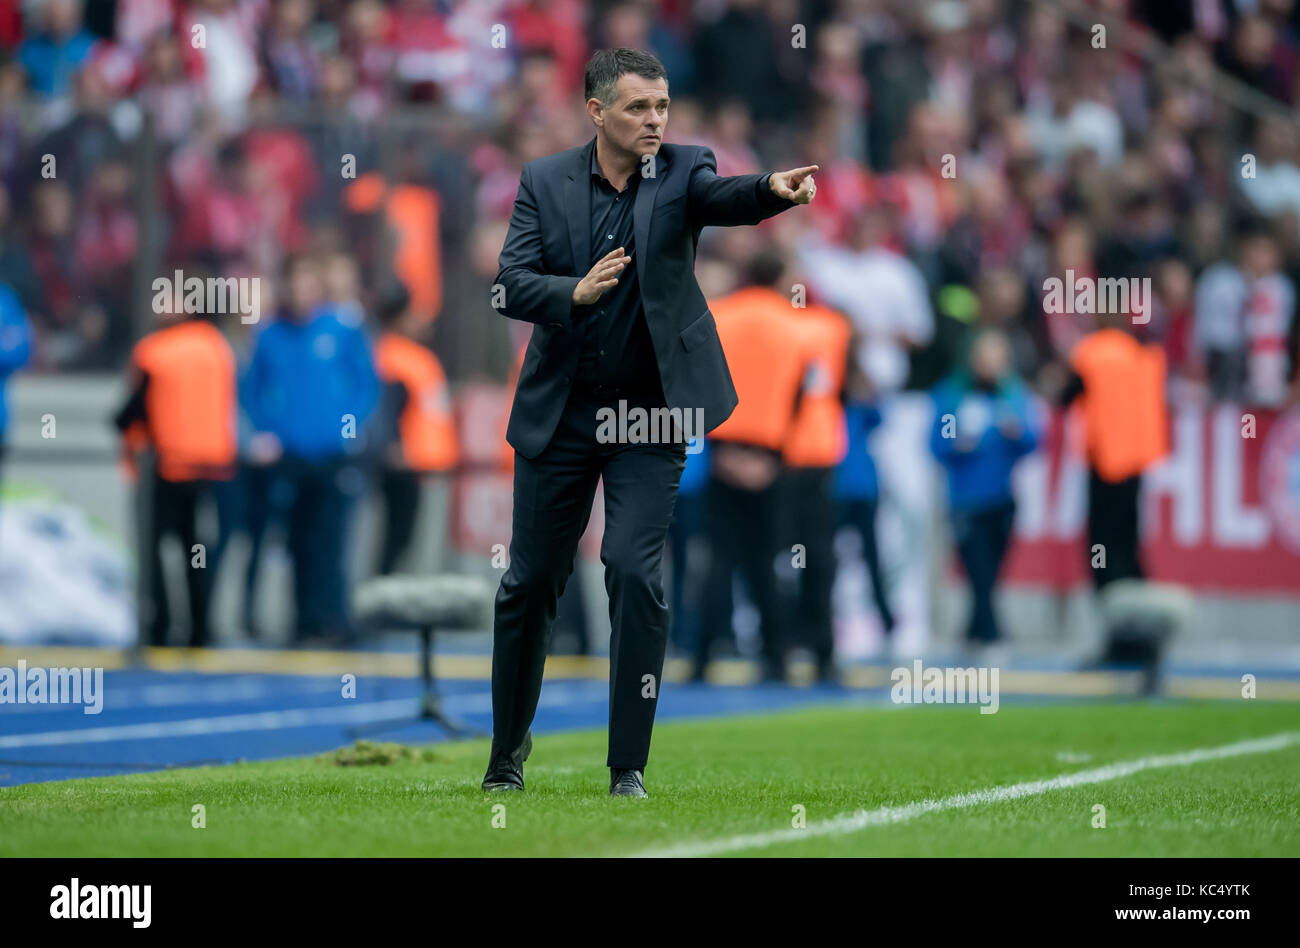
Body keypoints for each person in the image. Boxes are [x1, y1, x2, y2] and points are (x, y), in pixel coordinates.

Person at [484, 47, 816, 797]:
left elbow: (728, 196)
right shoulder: (543, 181)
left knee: (635, 570)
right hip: (562, 411)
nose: (654, 121)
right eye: (638, 108)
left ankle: (626, 767)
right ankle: (506, 758)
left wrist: (770, 189)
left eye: (662, 107)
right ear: (597, 112)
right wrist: (573, 292)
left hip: (649, 416)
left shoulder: (685, 169)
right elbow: (507, 287)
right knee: (530, 582)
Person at [240, 252, 379, 647]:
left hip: (333, 456)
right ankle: (302, 621)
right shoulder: (269, 335)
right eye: (293, 282)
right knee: (295, 541)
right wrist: (267, 431)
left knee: (332, 540)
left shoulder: (342, 329)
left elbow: (365, 385)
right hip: (289, 456)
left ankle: (333, 619)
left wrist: (348, 428)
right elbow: (252, 392)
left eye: (307, 283)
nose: (300, 292)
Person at [698, 250, 809, 685]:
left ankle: (703, 656)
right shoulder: (794, 325)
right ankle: (776, 658)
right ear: (782, 276)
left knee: (718, 561)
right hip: (771, 457)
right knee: (768, 562)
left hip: (723, 450)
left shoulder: (721, 315)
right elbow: (802, 395)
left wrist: (720, 449)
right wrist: (775, 458)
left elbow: (700, 382)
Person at [113, 275, 237, 648]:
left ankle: (160, 627)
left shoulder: (155, 350)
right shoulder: (218, 346)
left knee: (154, 553)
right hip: (209, 469)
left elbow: (133, 413)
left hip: (164, 468)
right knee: (196, 553)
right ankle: (201, 628)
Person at [930, 329, 1040, 647]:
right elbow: (938, 442)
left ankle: (975, 629)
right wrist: (957, 444)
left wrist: (1015, 433)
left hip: (1002, 495)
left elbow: (1032, 439)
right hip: (966, 498)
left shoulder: (1012, 394)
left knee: (991, 571)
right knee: (977, 568)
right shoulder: (953, 394)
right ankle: (991, 633)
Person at [780, 297, 853, 683]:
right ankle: (821, 651)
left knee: (782, 560)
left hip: (781, 456)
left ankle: (780, 650)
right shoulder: (834, 328)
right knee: (816, 561)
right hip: (818, 459)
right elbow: (849, 387)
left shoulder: (780, 329)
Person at [371, 279, 459, 575]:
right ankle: (384, 602)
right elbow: (386, 410)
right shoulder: (391, 356)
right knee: (398, 539)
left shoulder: (412, 355)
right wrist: (394, 446)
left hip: (425, 464)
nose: (423, 319)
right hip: (405, 465)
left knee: (409, 540)